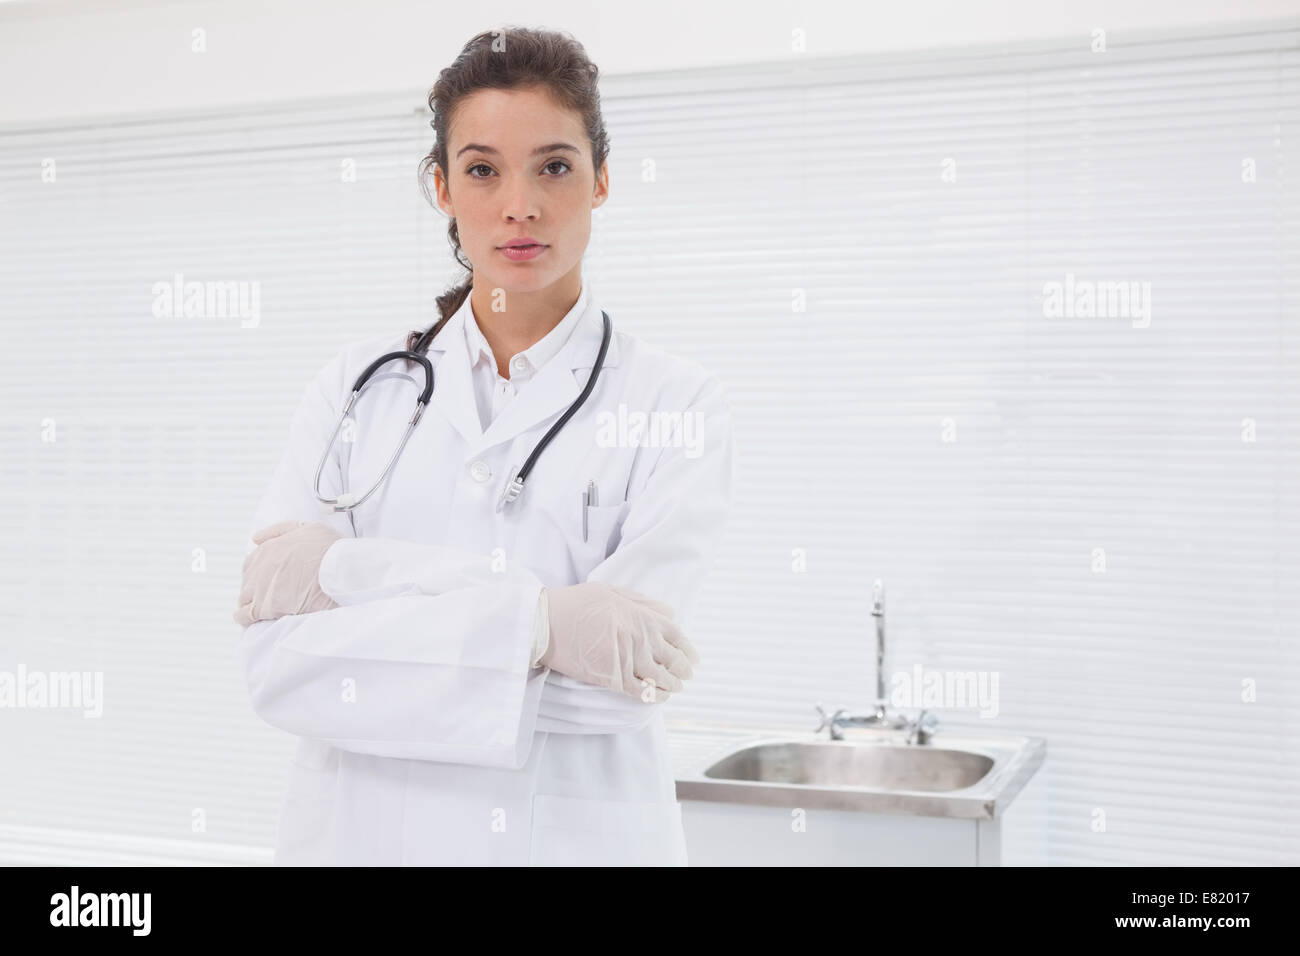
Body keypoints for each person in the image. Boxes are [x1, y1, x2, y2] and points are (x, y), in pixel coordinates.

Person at [232, 26, 734, 866]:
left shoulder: (674, 404)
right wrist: (543, 626)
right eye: (481, 169)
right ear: (441, 187)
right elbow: (280, 669)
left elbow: (618, 691)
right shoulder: (356, 390)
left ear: (602, 180)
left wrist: (343, 581)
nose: (520, 206)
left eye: (554, 166)